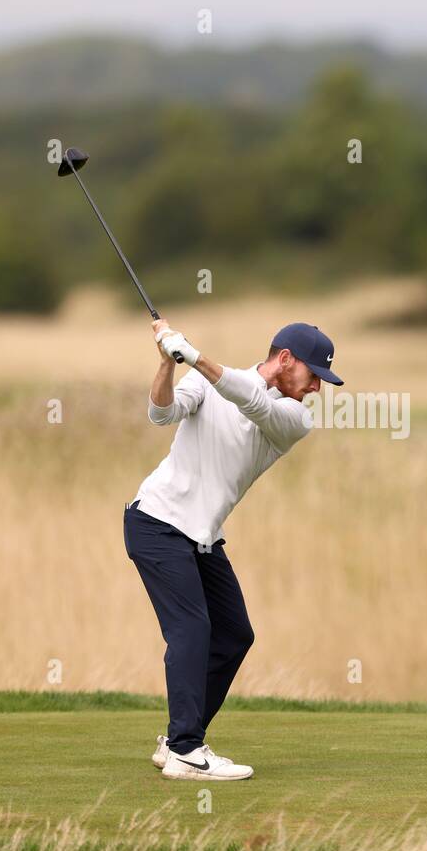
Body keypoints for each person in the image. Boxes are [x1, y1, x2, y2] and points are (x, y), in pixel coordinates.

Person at [124, 319, 343, 780]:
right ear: (285, 360)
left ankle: (180, 736)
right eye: (315, 377)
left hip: (200, 537)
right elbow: (161, 414)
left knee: (235, 634)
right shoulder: (209, 383)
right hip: (156, 522)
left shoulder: (294, 418)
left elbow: (249, 396)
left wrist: (196, 356)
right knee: (191, 629)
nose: (318, 389)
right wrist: (168, 363)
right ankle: (186, 749)